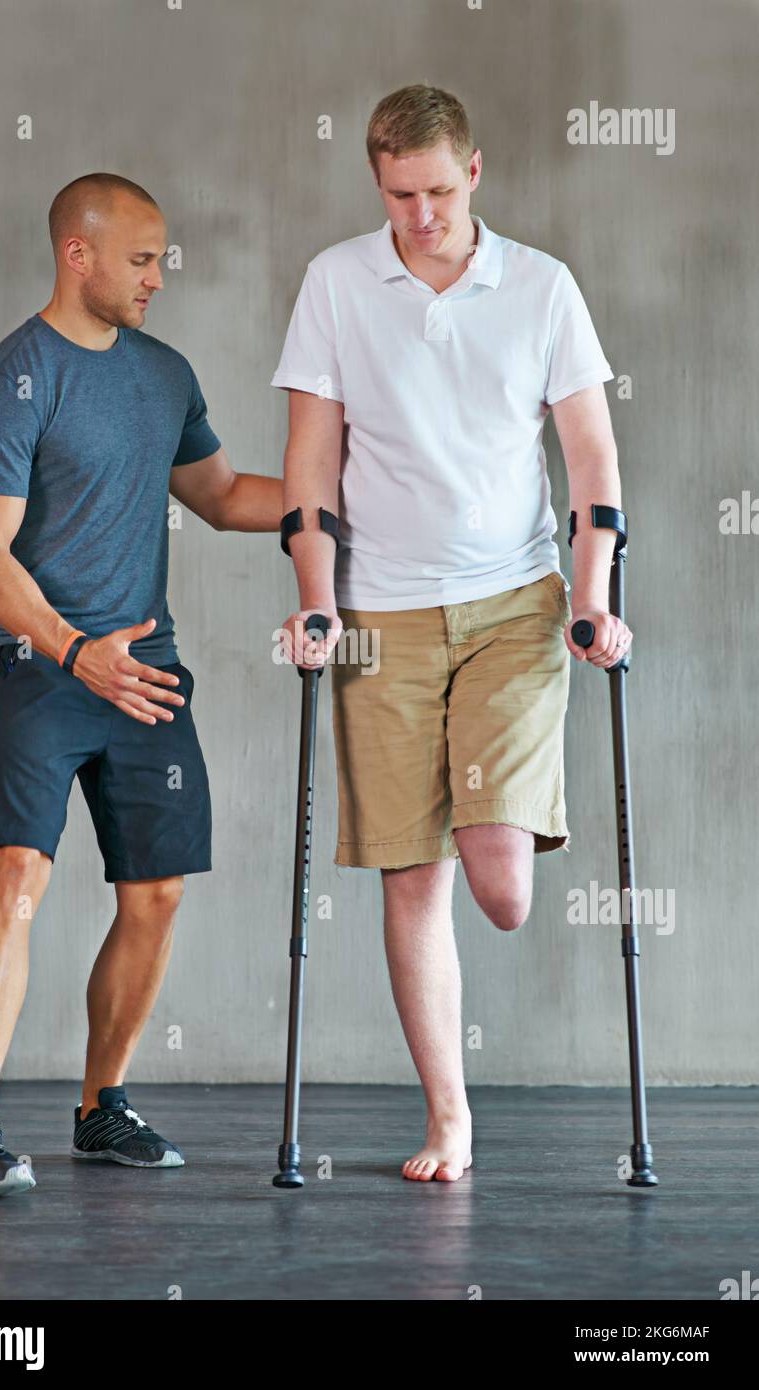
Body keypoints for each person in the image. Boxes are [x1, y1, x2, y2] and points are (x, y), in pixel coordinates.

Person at [273, 84, 632, 1183]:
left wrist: (591, 593)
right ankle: (449, 1119)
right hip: (377, 609)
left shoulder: (539, 287)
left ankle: (501, 869)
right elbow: (309, 462)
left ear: (472, 173)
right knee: (409, 875)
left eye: (436, 190)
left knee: (500, 889)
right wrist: (315, 594)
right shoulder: (338, 281)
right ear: (374, 181)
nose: (419, 214)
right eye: (397, 193)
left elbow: (588, 460)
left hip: (514, 600)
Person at [0, 173, 281, 1197]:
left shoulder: (164, 376)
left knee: (159, 892)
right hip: (37, 668)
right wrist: (68, 647)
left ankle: (103, 1106)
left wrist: (356, 495)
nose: (157, 278)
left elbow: (224, 498)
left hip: (146, 672)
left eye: (162, 259)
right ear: (76, 253)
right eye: (140, 259)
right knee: (17, 877)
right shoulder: (13, 378)